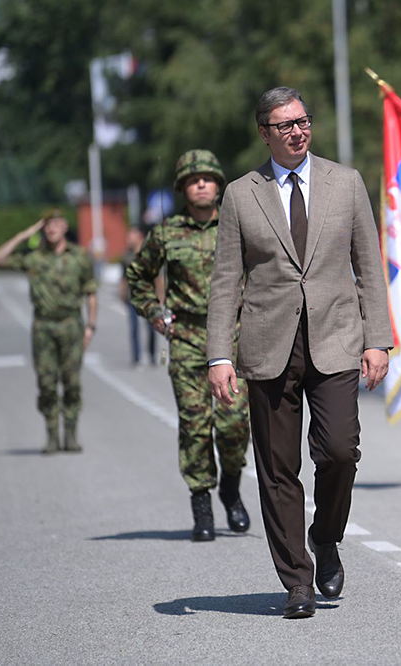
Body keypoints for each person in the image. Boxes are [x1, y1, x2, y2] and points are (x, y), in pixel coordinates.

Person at [206, 87, 392, 620]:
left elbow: (369, 267)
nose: (297, 131)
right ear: (264, 132)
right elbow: (225, 282)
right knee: (277, 469)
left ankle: (326, 536)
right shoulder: (243, 194)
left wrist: (377, 338)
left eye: (303, 121)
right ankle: (297, 581)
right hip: (269, 345)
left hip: (335, 339)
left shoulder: (346, 183)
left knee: (338, 451)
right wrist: (220, 354)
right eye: (284, 125)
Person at [127, 150, 252, 543]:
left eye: (208, 178)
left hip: (233, 336)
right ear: (182, 188)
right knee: (196, 426)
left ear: (218, 185)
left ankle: (230, 486)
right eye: (193, 179)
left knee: (234, 424)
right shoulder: (166, 233)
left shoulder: (238, 227)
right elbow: (137, 277)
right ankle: (201, 502)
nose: (201, 183)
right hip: (186, 340)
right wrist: (154, 313)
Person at [0, 209, 97, 453]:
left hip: (71, 325)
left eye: (56, 224)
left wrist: (90, 326)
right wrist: (24, 234)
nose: (51, 229)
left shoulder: (79, 256)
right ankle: (51, 435)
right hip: (43, 327)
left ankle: (70, 434)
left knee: (71, 382)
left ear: (64, 227)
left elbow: (91, 292)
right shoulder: (35, 258)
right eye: (47, 225)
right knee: (46, 382)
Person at [119, 227, 159, 366]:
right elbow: (123, 276)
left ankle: (152, 355)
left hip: (149, 297)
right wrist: (122, 292)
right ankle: (136, 357)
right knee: (134, 328)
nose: (129, 239)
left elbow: (157, 276)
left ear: (139, 236)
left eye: (131, 235)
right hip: (133, 297)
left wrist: (161, 295)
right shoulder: (126, 256)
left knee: (152, 327)